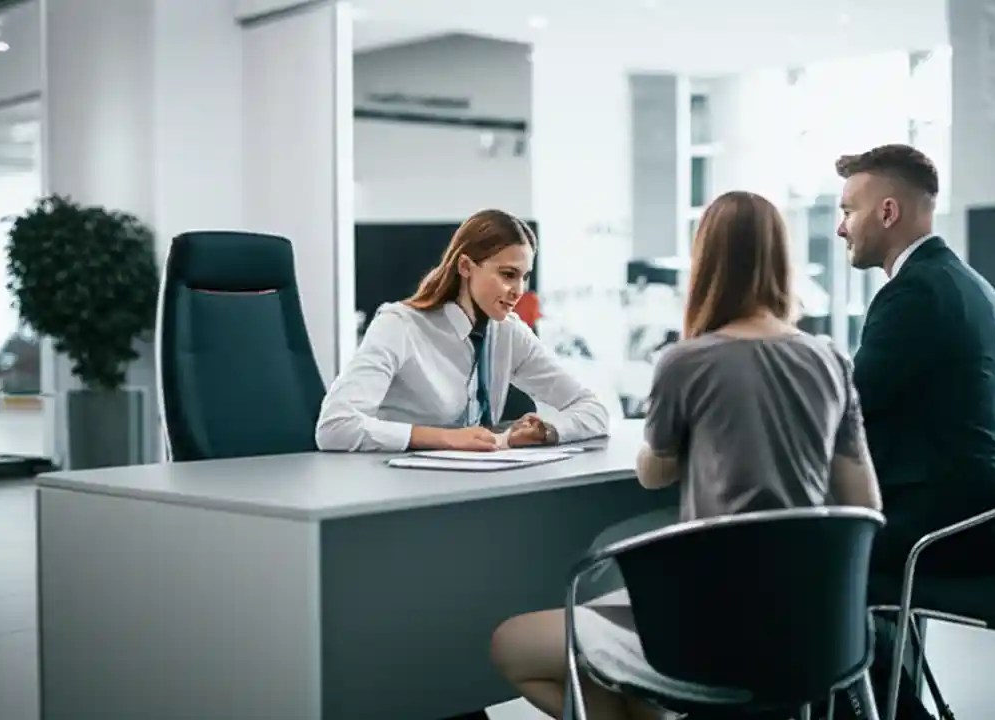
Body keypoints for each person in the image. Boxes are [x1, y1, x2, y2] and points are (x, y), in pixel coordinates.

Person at [489, 191, 882, 720]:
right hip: (816, 633)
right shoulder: (831, 360)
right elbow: (864, 502)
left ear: (707, 264)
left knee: (511, 645)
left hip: (708, 637)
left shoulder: (685, 362)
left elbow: (654, 473)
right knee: (635, 686)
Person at [835, 144, 995, 717]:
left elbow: (847, 407)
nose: (841, 229)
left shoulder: (914, 293)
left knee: (807, 559)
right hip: (972, 512)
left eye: (849, 211)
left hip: (936, 524)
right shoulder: (968, 285)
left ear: (887, 213)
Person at [314, 209, 608, 452]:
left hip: (472, 488)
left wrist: (547, 431)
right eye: (507, 275)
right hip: (394, 489)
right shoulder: (399, 326)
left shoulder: (507, 333)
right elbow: (335, 426)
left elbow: (593, 410)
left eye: (524, 276)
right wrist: (444, 438)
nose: (518, 290)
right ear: (466, 267)